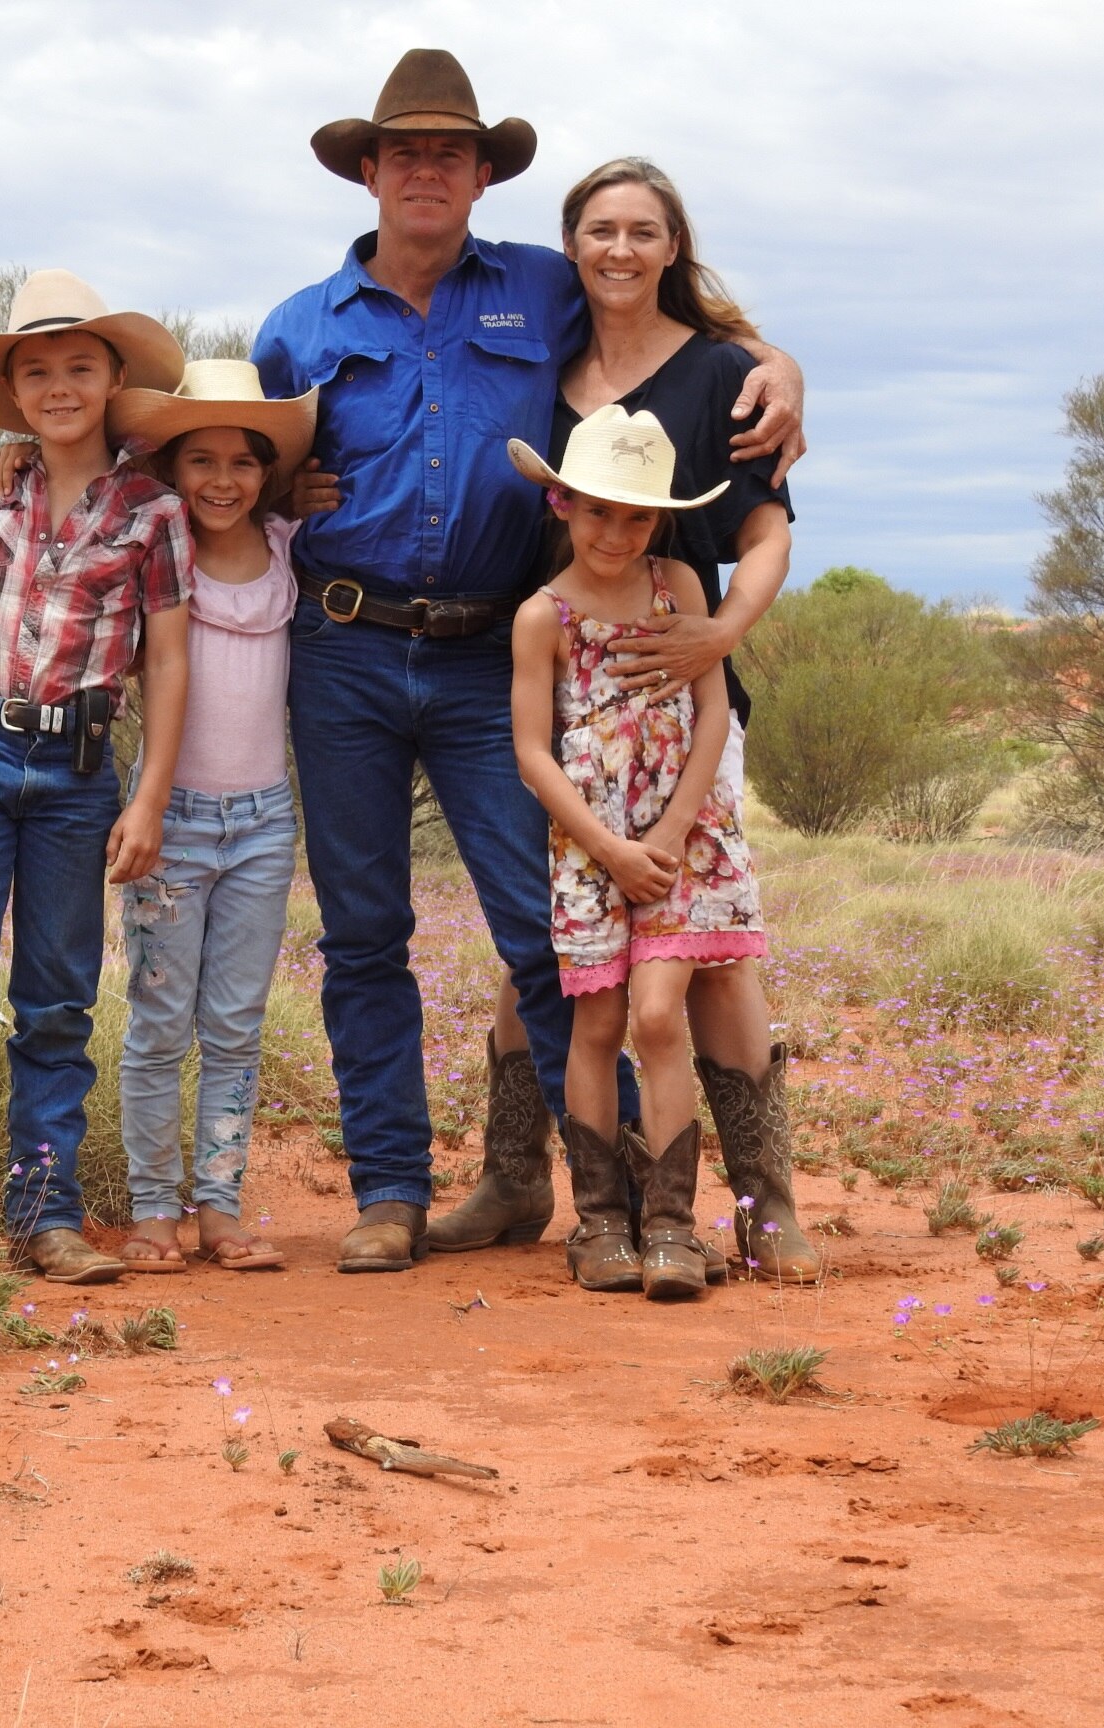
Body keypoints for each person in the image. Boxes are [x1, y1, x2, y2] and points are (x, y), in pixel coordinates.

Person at [250, 49, 805, 1273]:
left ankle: (610, 1207)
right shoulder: (297, 330)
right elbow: (228, 465)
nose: (429, 169)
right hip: (340, 648)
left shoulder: (543, 291)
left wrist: (781, 366)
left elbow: (672, 321)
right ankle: (392, 1193)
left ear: (485, 174)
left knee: (547, 935)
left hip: (488, 658)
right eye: (406, 152)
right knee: (362, 935)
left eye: (453, 151)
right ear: (370, 172)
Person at [441, 157, 821, 1280]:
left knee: (707, 962)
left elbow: (764, 530)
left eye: (642, 231)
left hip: (676, 689)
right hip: (553, 699)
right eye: (598, 230)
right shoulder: (542, 362)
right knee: (543, 942)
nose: (619, 249)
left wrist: (719, 634)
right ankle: (521, 1179)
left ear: (674, 247)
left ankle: (761, 1201)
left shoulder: (721, 376)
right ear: (571, 247)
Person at [0, 270, 192, 1287]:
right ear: (15, 391)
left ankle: (45, 1211)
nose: (58, 386)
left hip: (76, 768)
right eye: (37, 371)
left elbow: (172, 662)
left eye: (78, 366)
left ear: (112, 377)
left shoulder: (155, 510)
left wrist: (147, 796)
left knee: (59, 999)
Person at [507, 406, 765, 1296]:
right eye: (598, 511)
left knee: (660, 1018)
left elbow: (713, 712)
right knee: (600, 1022)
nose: (616, 532)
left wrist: (667, 831)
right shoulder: (543, 617)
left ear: (660, 521)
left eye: (638, 516)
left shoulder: (680, 588)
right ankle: (601, 1221)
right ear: (561, 505)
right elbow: (534, 750)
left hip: (683, 837)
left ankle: (671, 1224)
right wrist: (610, 848)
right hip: (590, 845)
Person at [105, 361, 318, 1272]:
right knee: (158, 1025)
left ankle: (220, 1209)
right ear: (168, 468)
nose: (221, 480)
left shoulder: (289, 543)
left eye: (241, 461)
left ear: (268, 473)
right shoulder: (155, 545)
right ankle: (154, 1210)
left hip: (265, 824)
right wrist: (5, 458)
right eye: (200, 460)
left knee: (234, 1026)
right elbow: (70, 471)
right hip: (169, 820)